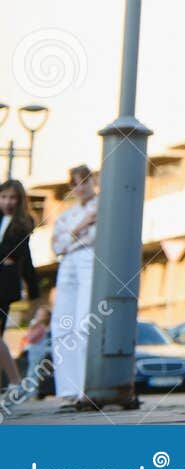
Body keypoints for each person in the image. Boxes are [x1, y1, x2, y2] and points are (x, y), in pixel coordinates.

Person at [49, 165, 96, 406]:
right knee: (62, 323)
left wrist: (71, 236)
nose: (81, 187)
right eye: (76, 183)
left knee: (83, 321)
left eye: (84, 182)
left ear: (92, 182)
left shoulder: (101, 207)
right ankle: (68, 387)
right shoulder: (67, 215)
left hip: (89, 259)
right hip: (67, 264)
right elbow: (57, 246)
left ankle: (86, 386)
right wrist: (81, 227)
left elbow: (94, 237)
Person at [1, 179, 40, 393]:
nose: (8, 202)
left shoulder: (22, 224)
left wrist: (34, 290)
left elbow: (20, 255)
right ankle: (15, 382)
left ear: (20, 200)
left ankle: (16, 382)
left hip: (4, 286)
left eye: (12, 198)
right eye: (4, 197)